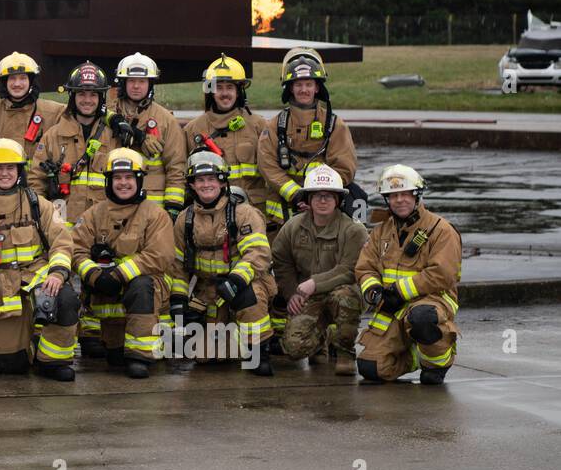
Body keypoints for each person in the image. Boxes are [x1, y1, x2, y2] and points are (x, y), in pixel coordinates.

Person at [0, 138, 77, 381]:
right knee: (11, 366)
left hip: (37, 276)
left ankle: (52, 361)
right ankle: (28, 344)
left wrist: (57, 273)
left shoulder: (38, 204)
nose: (5, 173)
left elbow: (62, 241)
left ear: (19, 170)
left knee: (66, 299)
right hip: (1, 289)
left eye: (10, 167)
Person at [29, 61, 120, 357]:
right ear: (72, 96)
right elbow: (35, 181)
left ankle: (92, 331)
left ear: (101, 97)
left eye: (93, 94)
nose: (87, 100)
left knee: (99, 272)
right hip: (61, 225)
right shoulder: (54, 136)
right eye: (81, 94)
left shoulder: (115, 134)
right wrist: (44, 220)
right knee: (61, 277)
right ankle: (56, 332)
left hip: (103, 223)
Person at [165, 151, 275, 376]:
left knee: (250, 297)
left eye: (211, 179)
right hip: (209, 290)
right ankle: (231, 340)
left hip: (245, 282)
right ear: (192, 185)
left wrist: (236, 280)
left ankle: (259, 352)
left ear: (223, 181)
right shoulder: (184, 219)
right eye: (200, 180)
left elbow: (258, 254)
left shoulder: (244, 213)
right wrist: (179, 301)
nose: (206, 184)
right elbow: (178, 266)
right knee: (206, 357)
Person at [71, 148, 174, 378]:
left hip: (146, 288)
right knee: (115, 357)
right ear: (109, 181)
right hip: (106, 292)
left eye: (129, 177)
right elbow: (75, 250)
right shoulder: (93, 215)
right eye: (117, 177)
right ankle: (112, 343)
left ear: (139, 180)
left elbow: (160, 254)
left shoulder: (155, 214)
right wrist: (94, 274)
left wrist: (119, 273)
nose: (123, 183)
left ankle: (140, 355)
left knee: (141, 284)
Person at [355, 165, 462, 385]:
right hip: (393, 306)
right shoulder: (381, 231)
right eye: (393, 195)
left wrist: (399, 291)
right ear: (387, 199)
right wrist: (374, 291)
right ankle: (415, 355)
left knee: (422, 318)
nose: (400, 200)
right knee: (370, 368)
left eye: (405, 194)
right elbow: (365, 268)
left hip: (432, 300)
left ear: (417, 195)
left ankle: (437, 363)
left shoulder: (441, 230)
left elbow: (442, 274)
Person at [271, 165, 367, 376]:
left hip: (343, 292)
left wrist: (314, 283)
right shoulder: (293, 227)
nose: (323, 201)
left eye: (329, 196)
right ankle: (320, 341)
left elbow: (350, 269)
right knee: (294, 348)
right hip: (306, 294)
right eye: (317, 196)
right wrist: (292, 294)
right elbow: (281, 262)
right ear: (308, 199)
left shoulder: (354, 230)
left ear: (338, 200)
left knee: (344, 298)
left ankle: (345, 352)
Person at [256, 47, 359, 229]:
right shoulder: (275, 126)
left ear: (317, 87)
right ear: (290, 88)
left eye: (309, 84)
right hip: (281, 220)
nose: (304, 90)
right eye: (298, 84)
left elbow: (344, 169)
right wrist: (295, 194)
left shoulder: (334, 125)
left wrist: (316, 197)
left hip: (323, 215)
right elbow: (267, 166)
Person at [182, 55, 270, 223]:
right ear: (211, 91)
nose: (224, 94)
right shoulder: (193, 129)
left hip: (254, 211)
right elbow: (183, 174)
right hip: (210, 215)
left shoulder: (259, 126)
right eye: (219, 88)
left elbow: (272, 169)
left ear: (239, 91)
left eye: (230, 87)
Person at [108, 54, 186, 217]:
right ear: (123, 83)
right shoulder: (108, 115)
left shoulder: (166, 120)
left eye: (142, 81)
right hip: (111, 206)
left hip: (152, 209)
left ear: (150, 84)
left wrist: (173, 207)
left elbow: (176, 167)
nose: (136, 86)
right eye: (131, 81)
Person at [0, 52, 63, 160]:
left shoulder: (53, 111)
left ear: (31, 81)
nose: (17, 84)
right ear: (4, 82)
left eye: (23, 78)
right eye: (12, 78)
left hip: (37, 171)